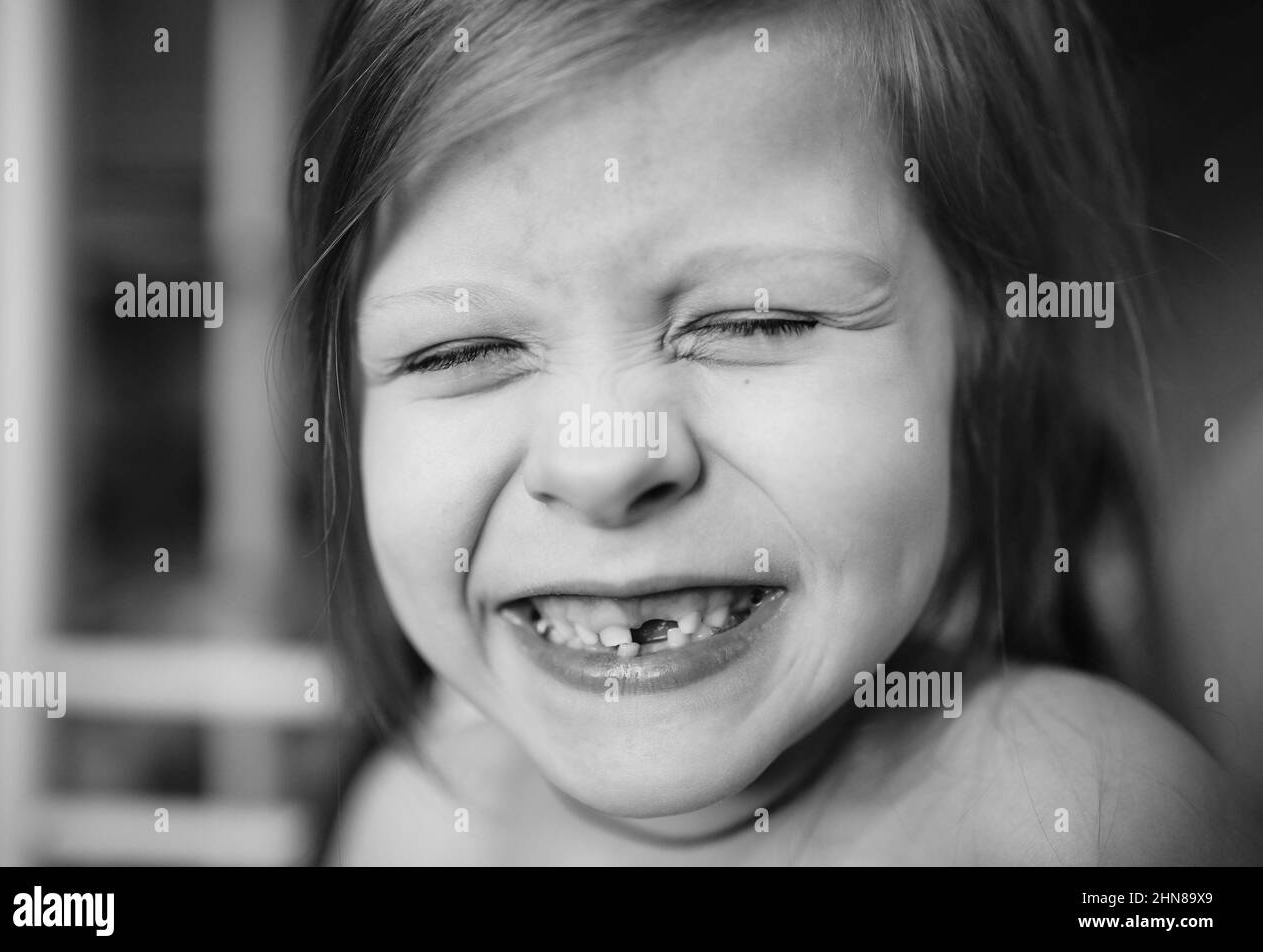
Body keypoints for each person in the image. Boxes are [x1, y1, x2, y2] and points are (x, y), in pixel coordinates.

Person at [290, 0, 1262, 864]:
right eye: (458, 349)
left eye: (755, 321)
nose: (600, 458)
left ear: (979, 364)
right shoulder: (406, 821)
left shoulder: (1092, 817)